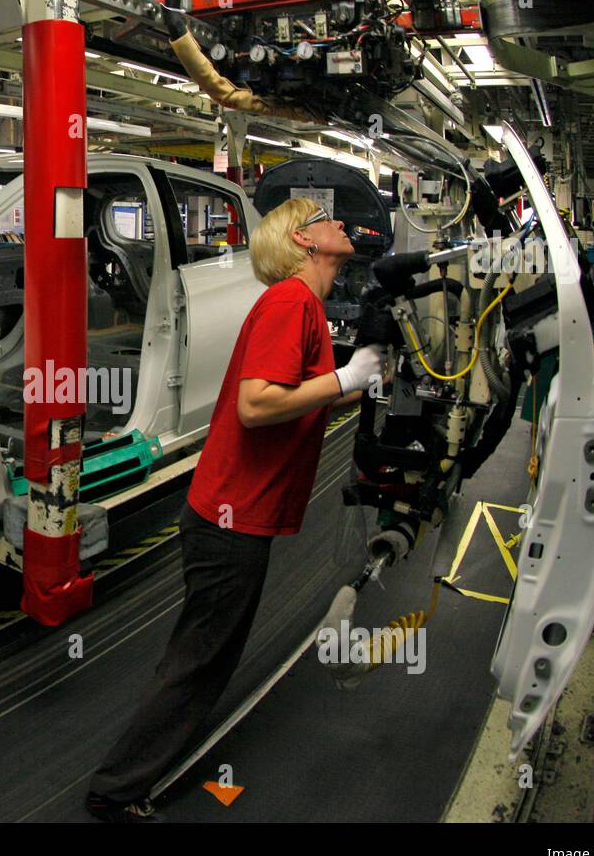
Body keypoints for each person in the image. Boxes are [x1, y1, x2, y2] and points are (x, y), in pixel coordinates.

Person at [85, 197, 387, 822]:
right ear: (305, 241)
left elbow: (292, 401)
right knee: (201, 657)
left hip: (234, 512)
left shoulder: (303, 306)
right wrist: (344, 380)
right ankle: (114, 792)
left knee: (207, 651)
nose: (341, 226)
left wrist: (348, 382)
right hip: (230, 517)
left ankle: (133, 774)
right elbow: (256, 404)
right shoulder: (291, 302)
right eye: (326, 220)